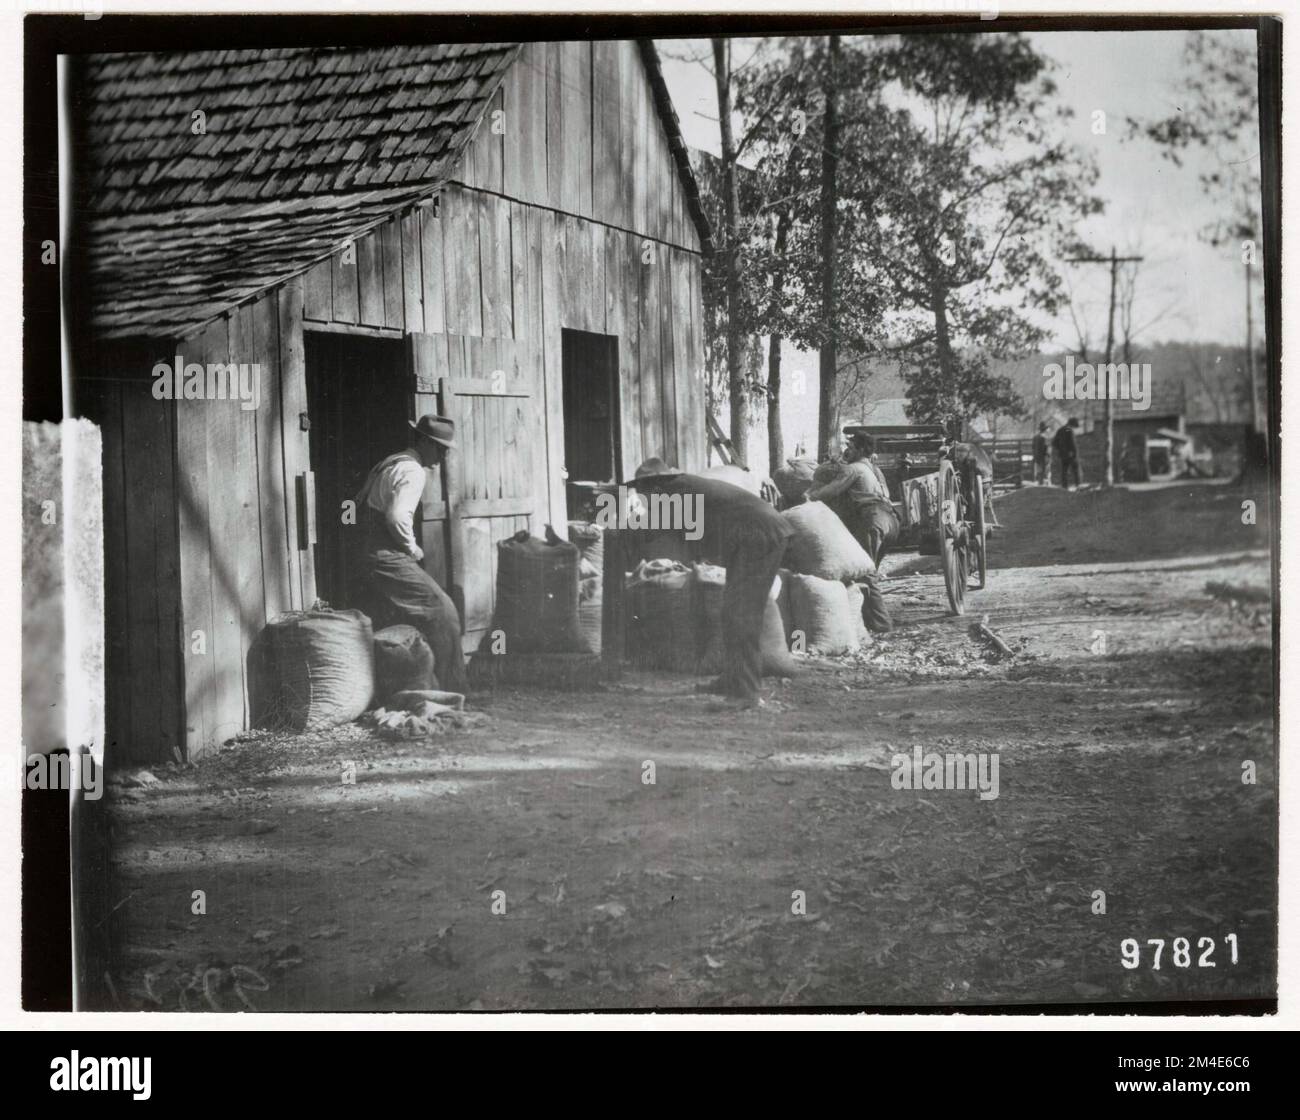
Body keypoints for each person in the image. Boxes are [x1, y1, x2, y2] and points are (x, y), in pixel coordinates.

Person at [629, 457, 793, 703]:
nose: (643, 496)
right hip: (752, 536)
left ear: (656, 484)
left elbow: (669, 533)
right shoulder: (681, 489)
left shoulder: (679, 491)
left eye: (644, 490)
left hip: (762, 535)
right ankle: (733, 679)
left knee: (742, 614)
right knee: (731, 611)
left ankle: (745, 693)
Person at [355, 414, 468, 693]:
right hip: (385, 553)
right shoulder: (413, 471)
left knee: (407, 615)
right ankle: (452, 690)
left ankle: (419, 685)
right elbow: (396, 516)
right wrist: (411, 547)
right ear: (425, 442)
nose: (442, 457)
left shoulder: (391, 462)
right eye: (440, 449)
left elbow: (358, 502)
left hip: (369, 550)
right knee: (443, 611)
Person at [804, 434, 896, 633]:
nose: (848, 450)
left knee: (865, 573)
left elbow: (831, 491)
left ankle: (882, 625)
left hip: (872, 519)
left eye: (852, 447)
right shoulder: (876, 470)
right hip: (891, 521)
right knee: (870, 572)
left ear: (862, 450)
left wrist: (808, 496)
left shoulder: (853, 469)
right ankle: (868, 621)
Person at [1052, 417, 1081, 490]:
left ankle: (1064, 487)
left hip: (1063, 455)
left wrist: (1061, 450)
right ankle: (1078, 486)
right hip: (1071, 455)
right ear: (1073, 424)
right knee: (1076, 470)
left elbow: (1054, 442)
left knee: (1064, 471)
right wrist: (1074, 454)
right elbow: (1072, 443)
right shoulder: (1069, 430)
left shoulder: (1060, 430)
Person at [1032, 421, 1051, 485]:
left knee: (1039, 472)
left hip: (1037, 457)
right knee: (1045, 473)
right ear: (1044, 430)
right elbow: (1045, 449)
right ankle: (1043, 486)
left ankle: (1040, 485)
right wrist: (1048, 456)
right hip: (1043, 457)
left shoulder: (1035, 437)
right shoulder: (1044, 437)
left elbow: (1033, 447)